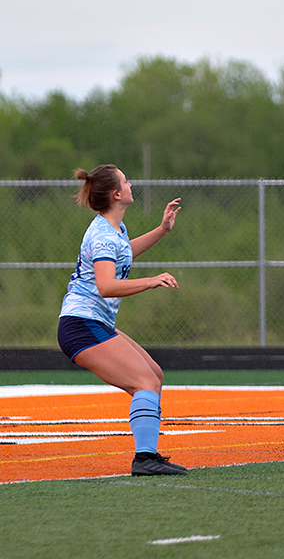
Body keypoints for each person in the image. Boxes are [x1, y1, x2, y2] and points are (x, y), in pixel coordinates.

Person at [57, 164, 186, 476]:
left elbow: (123, 252)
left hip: (92, 322)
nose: (130, 185)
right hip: (80, 324)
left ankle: (148, 453)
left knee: (154, 375)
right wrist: (150, 281)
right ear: (116, 194)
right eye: (125, 182)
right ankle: (144, 459)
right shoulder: (102, 235)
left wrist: (162, 229)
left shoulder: (114, 229)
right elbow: (106, 286)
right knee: (145, 382)